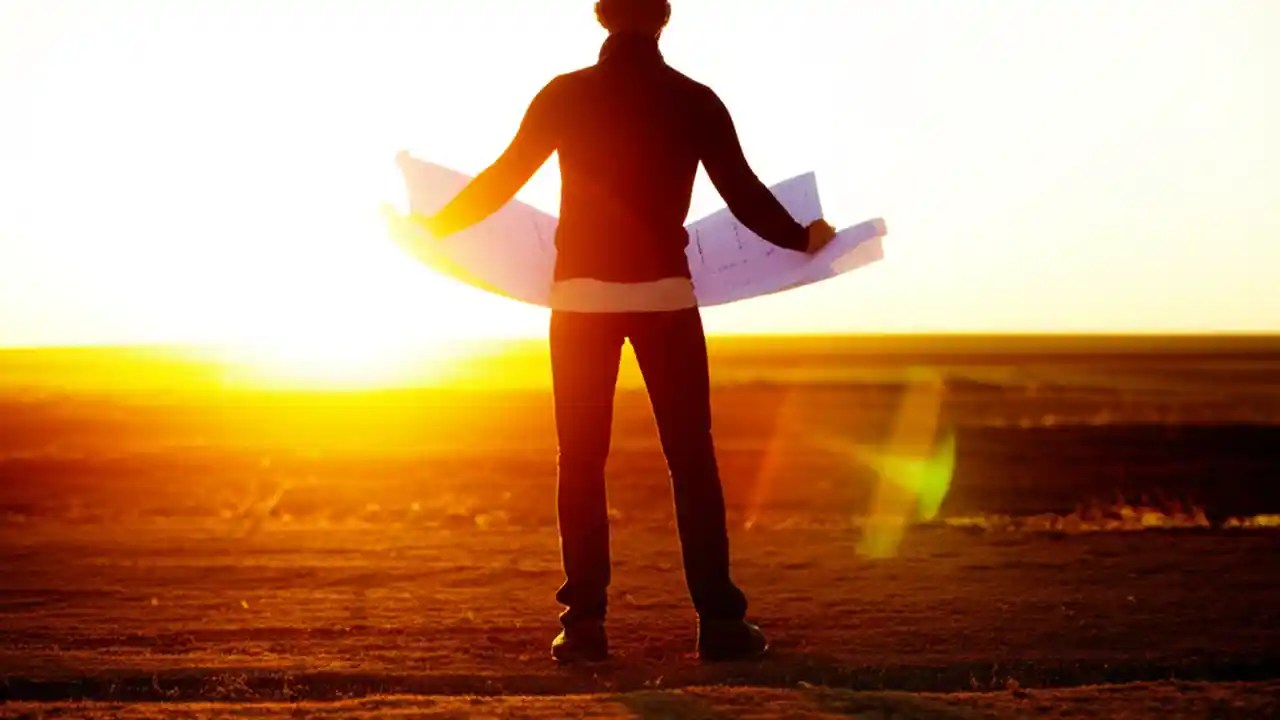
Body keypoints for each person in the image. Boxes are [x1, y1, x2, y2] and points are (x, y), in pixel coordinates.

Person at [388, 0, 837, 663]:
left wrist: (431, 229)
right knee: (692, 462)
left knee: (581, 463)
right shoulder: (695, 100)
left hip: (580, 303)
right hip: (664, 298)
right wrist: (806, 237)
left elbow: (501, 180)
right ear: (664, 18)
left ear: (601, 18)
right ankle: (719, 625)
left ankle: (585, 626)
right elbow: (743, 193)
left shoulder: (564, 95)